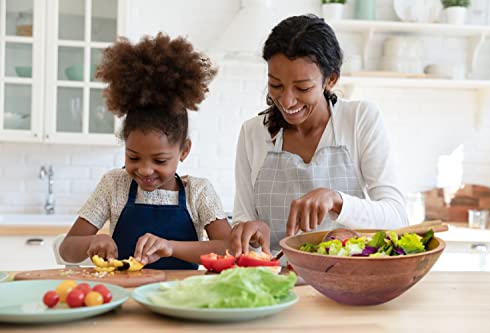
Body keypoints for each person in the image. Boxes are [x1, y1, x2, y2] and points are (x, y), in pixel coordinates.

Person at [230, 14, 408, 257]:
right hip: (275, 280)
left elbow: (396, 217)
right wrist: (248, 229)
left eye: (303, 88)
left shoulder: (359, 119)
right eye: (276, 85)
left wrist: (337, 201)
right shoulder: (252, 132)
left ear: (330, 80)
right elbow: (242, 219)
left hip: (344, 279)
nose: (287, 100)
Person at [59, 33, 231, 270]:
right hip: (124, 295)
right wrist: (94, 241)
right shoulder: (113, 185)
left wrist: (172, 247)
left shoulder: (199, 192)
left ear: (184, 150)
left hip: (182, 299)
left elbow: (228, 249)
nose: (145, 169)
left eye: (160, 160)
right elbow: (67, 249)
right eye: (133, 157)